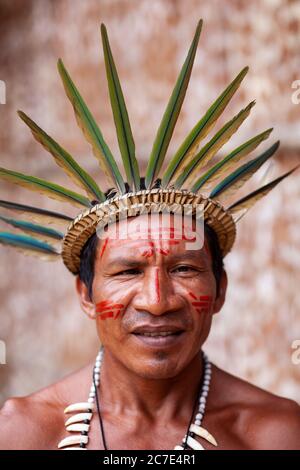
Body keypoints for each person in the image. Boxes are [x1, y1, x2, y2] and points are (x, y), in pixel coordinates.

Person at [0, 20, 299, 450]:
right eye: (127, 271)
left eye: (183, 268)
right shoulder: (23, 433)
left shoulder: (279, 434)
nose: (157, 301)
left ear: (220, 290)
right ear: (86, 293)